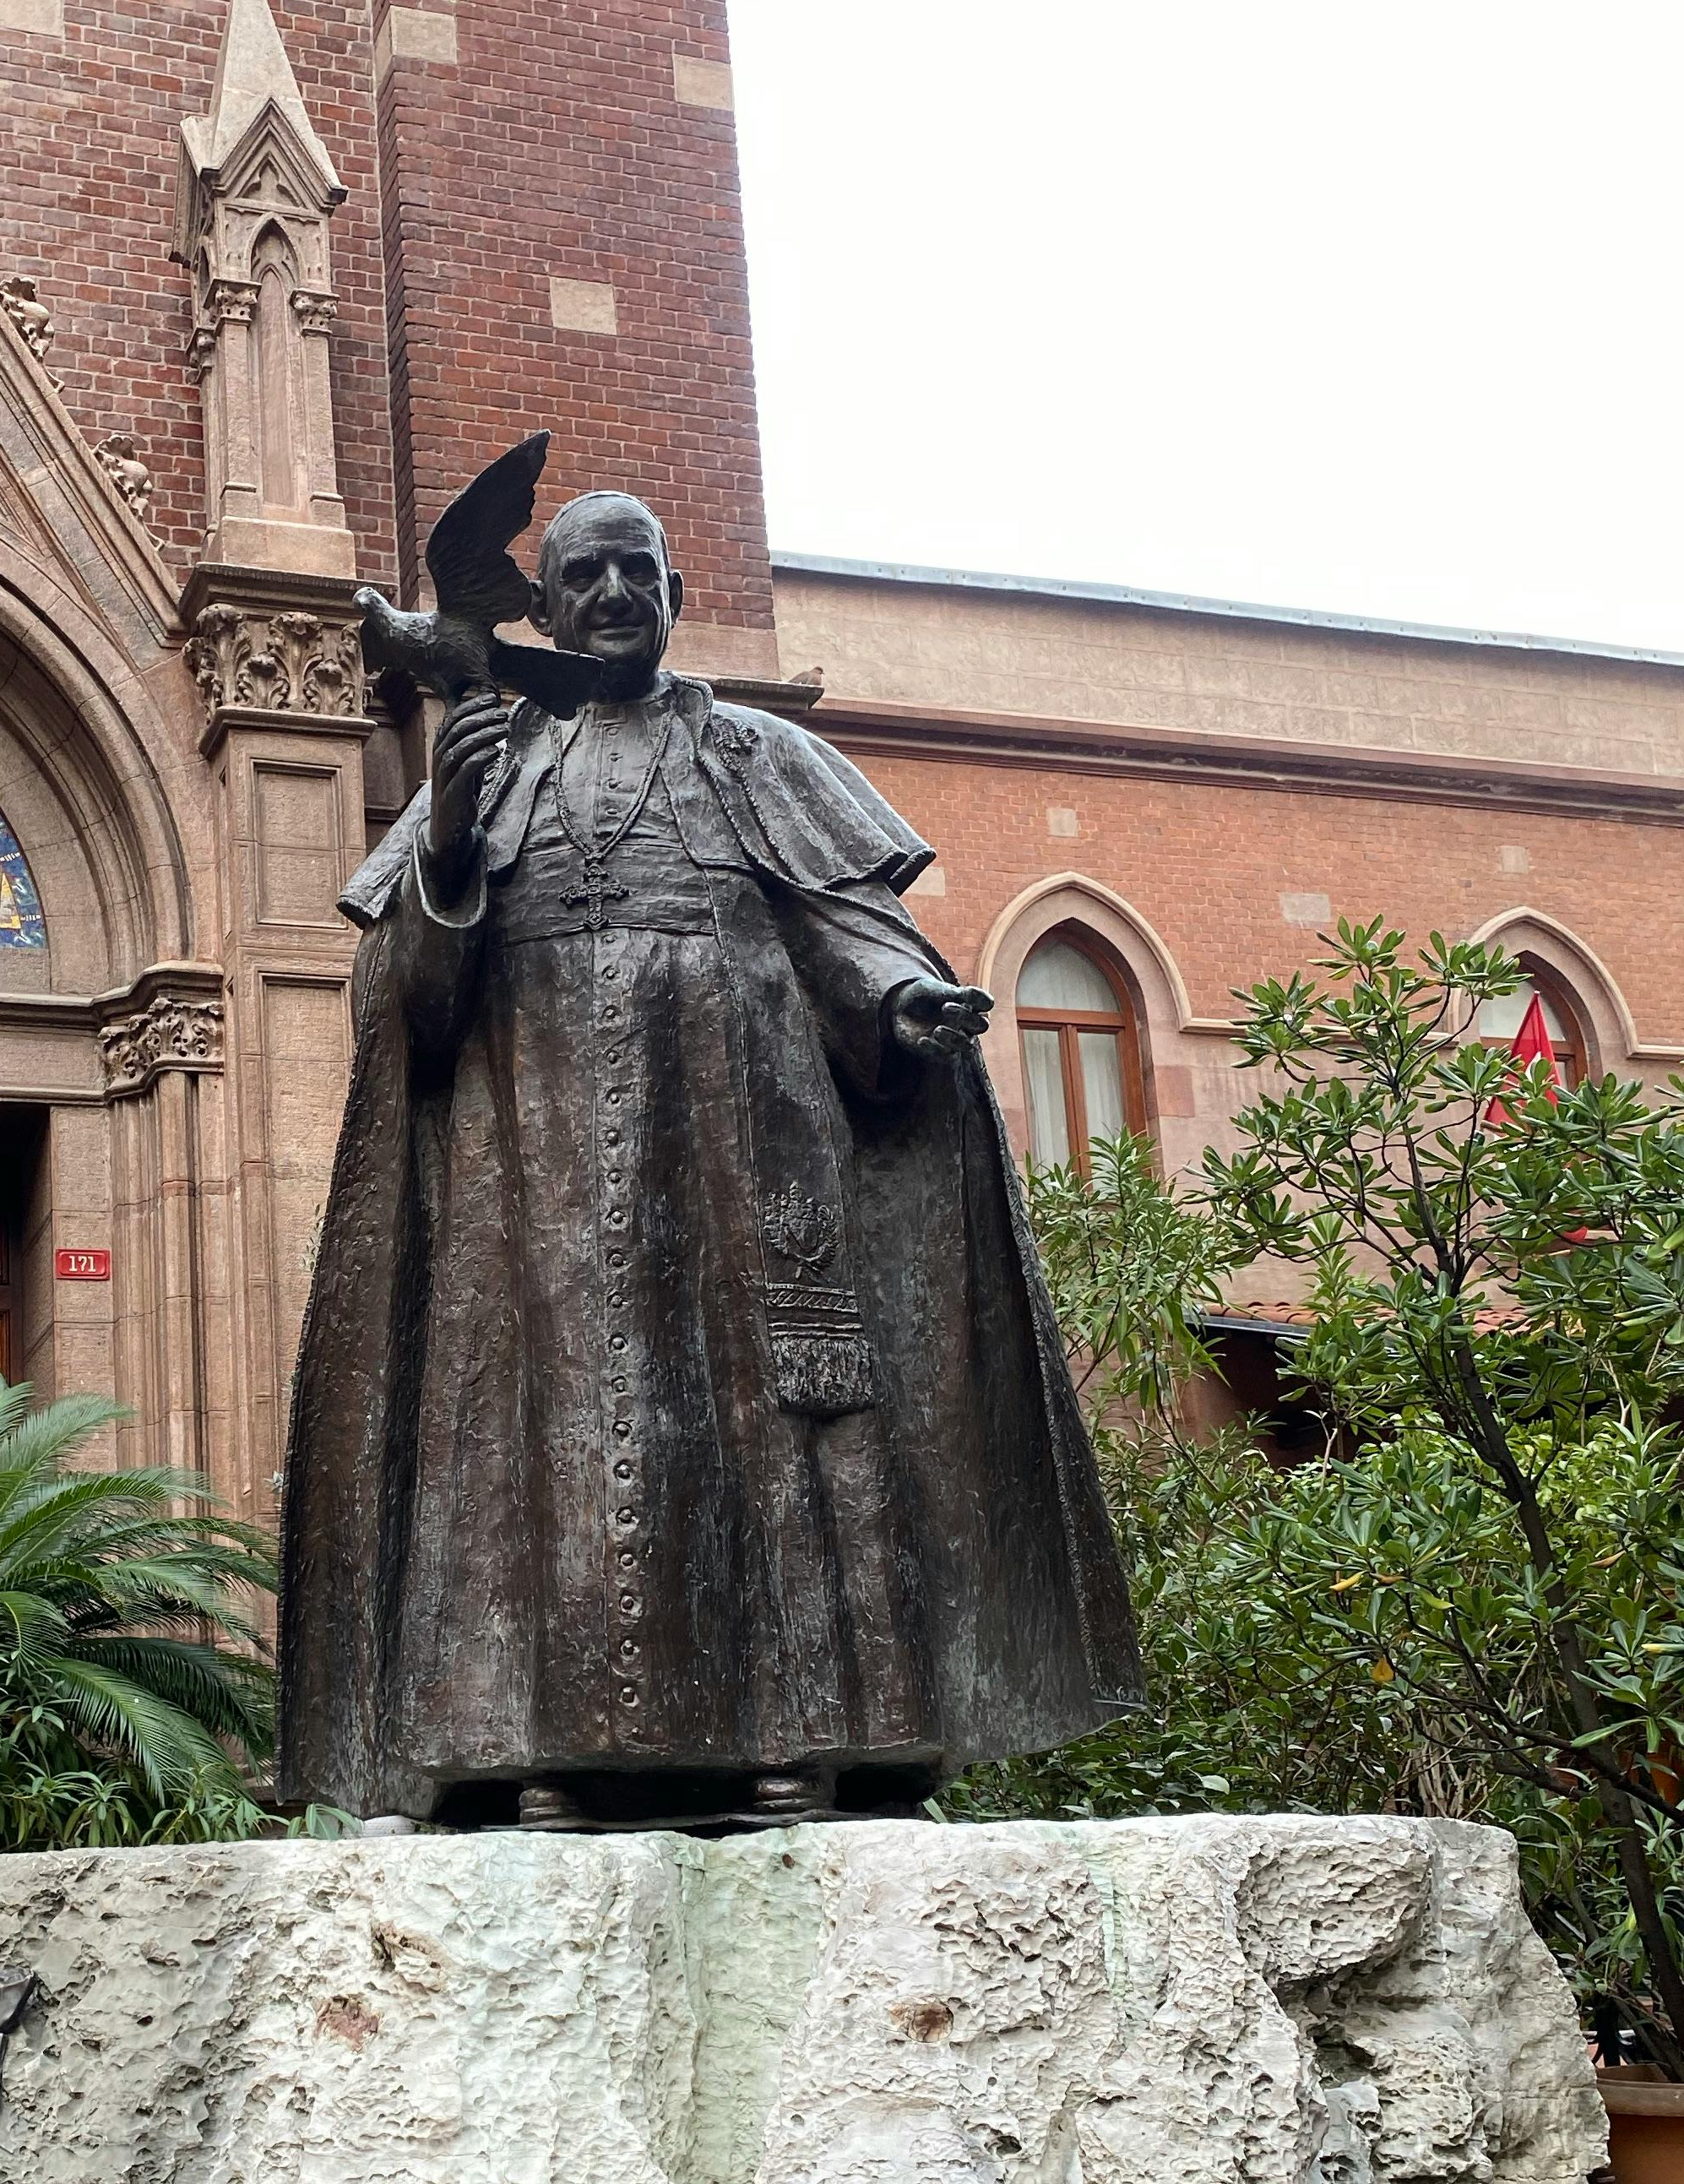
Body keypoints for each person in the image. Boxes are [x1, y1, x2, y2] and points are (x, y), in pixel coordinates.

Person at [277, 487, 1140, 1828]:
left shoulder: (753, 754)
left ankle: (798, 1741)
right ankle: (536, 1752)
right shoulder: (496, 763)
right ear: (547, 610)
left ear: (675, 597)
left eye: (641, 571)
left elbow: (845, 929)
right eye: (587, 575)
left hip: (748, 1161)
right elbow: (408, 1015)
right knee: (534, 1447)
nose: (616, 593)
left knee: (771, 1433)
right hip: (535, 1184)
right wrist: (447, 834)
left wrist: (908, 1009)